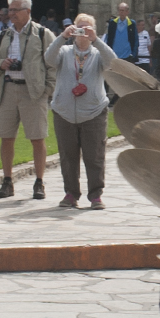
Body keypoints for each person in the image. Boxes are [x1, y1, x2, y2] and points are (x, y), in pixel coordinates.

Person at [0, 0, 54, 200]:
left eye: (15, 10)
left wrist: (47, 90)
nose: (11, 14)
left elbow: (53, 64)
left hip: (33, 92)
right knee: (6, 137)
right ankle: (7, 181)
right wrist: (1, 64)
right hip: (8, 90)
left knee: (37, 137)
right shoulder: (3, 35)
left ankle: (39, 181)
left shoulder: (42, 34)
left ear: (28, 12)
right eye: (10, 10)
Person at [45, 13, 110, 208]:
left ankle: (95, 194)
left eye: (86, 28)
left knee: (95, 155)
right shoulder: (64, 52)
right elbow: (48, 58)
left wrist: (96, 40)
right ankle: (71, 193)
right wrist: (62, 36)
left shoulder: (98, 54)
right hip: (64, 112)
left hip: (93, 113)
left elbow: (113, 63)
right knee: (68, 156)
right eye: (79, 28)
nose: (82, 32)